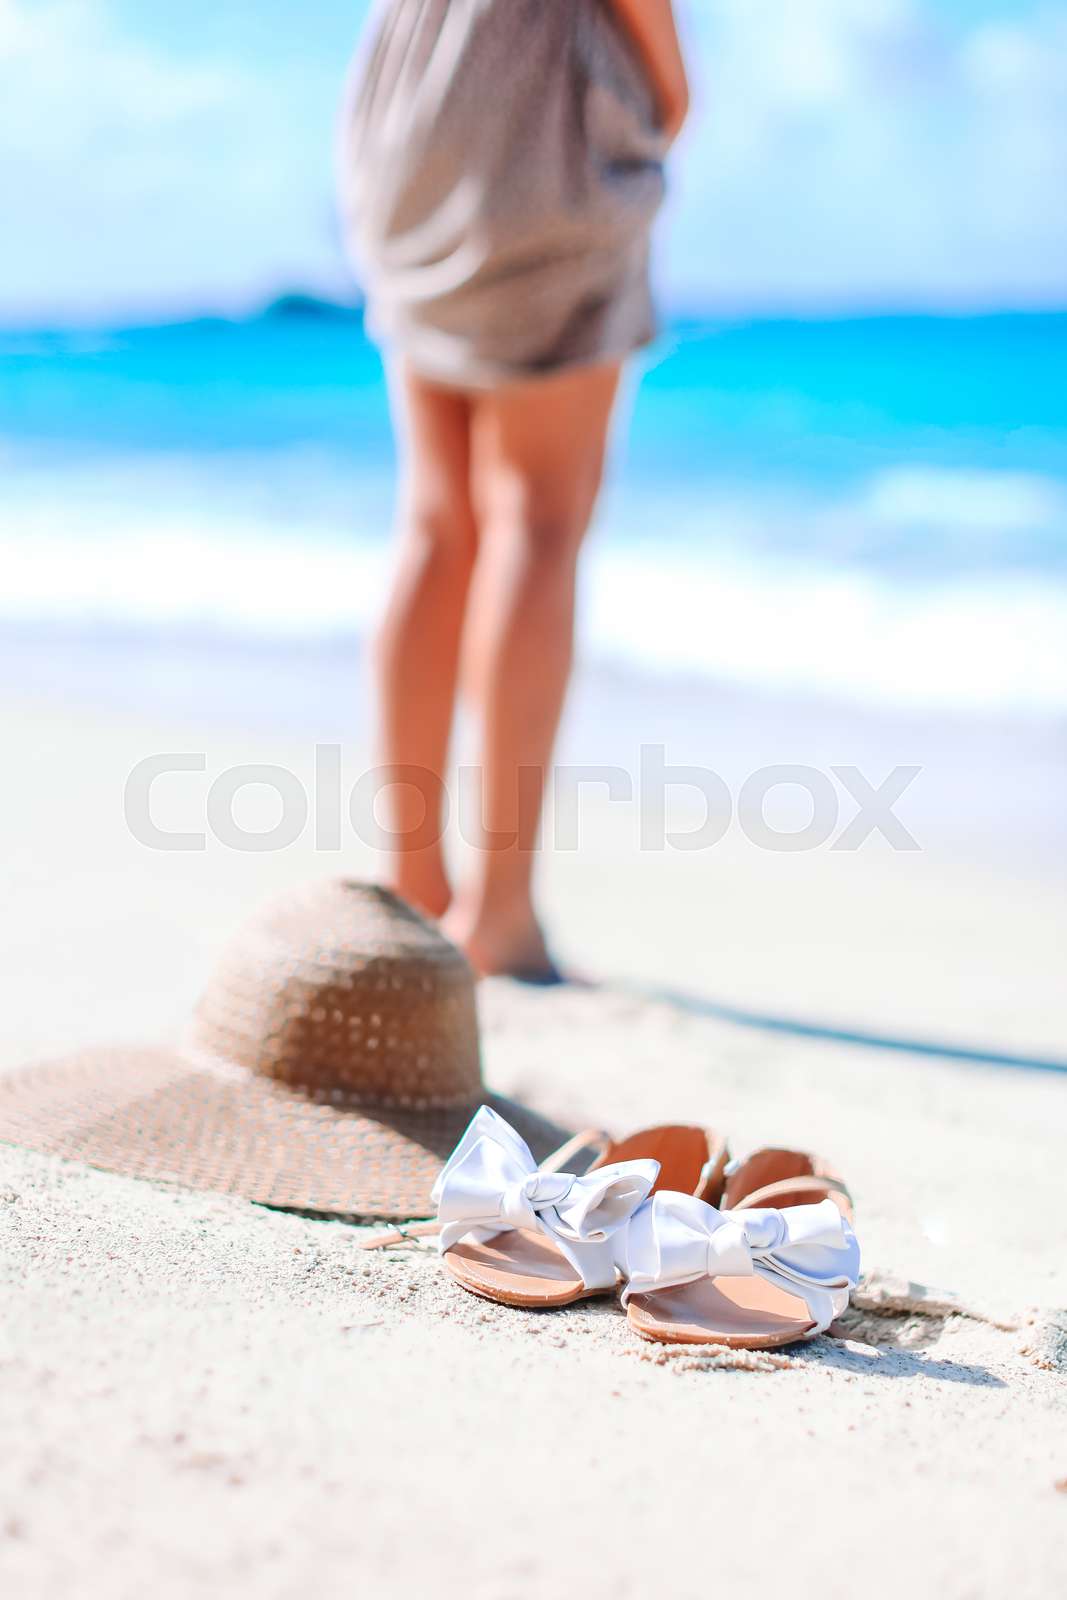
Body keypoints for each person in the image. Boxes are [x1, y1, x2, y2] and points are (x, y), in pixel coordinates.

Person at [340, 0, 688, 977]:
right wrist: (665, 93)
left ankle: (412, 884)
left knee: (435, 521)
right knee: (535, 519)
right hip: (542, 115)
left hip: (408, 107)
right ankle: (498, 914)